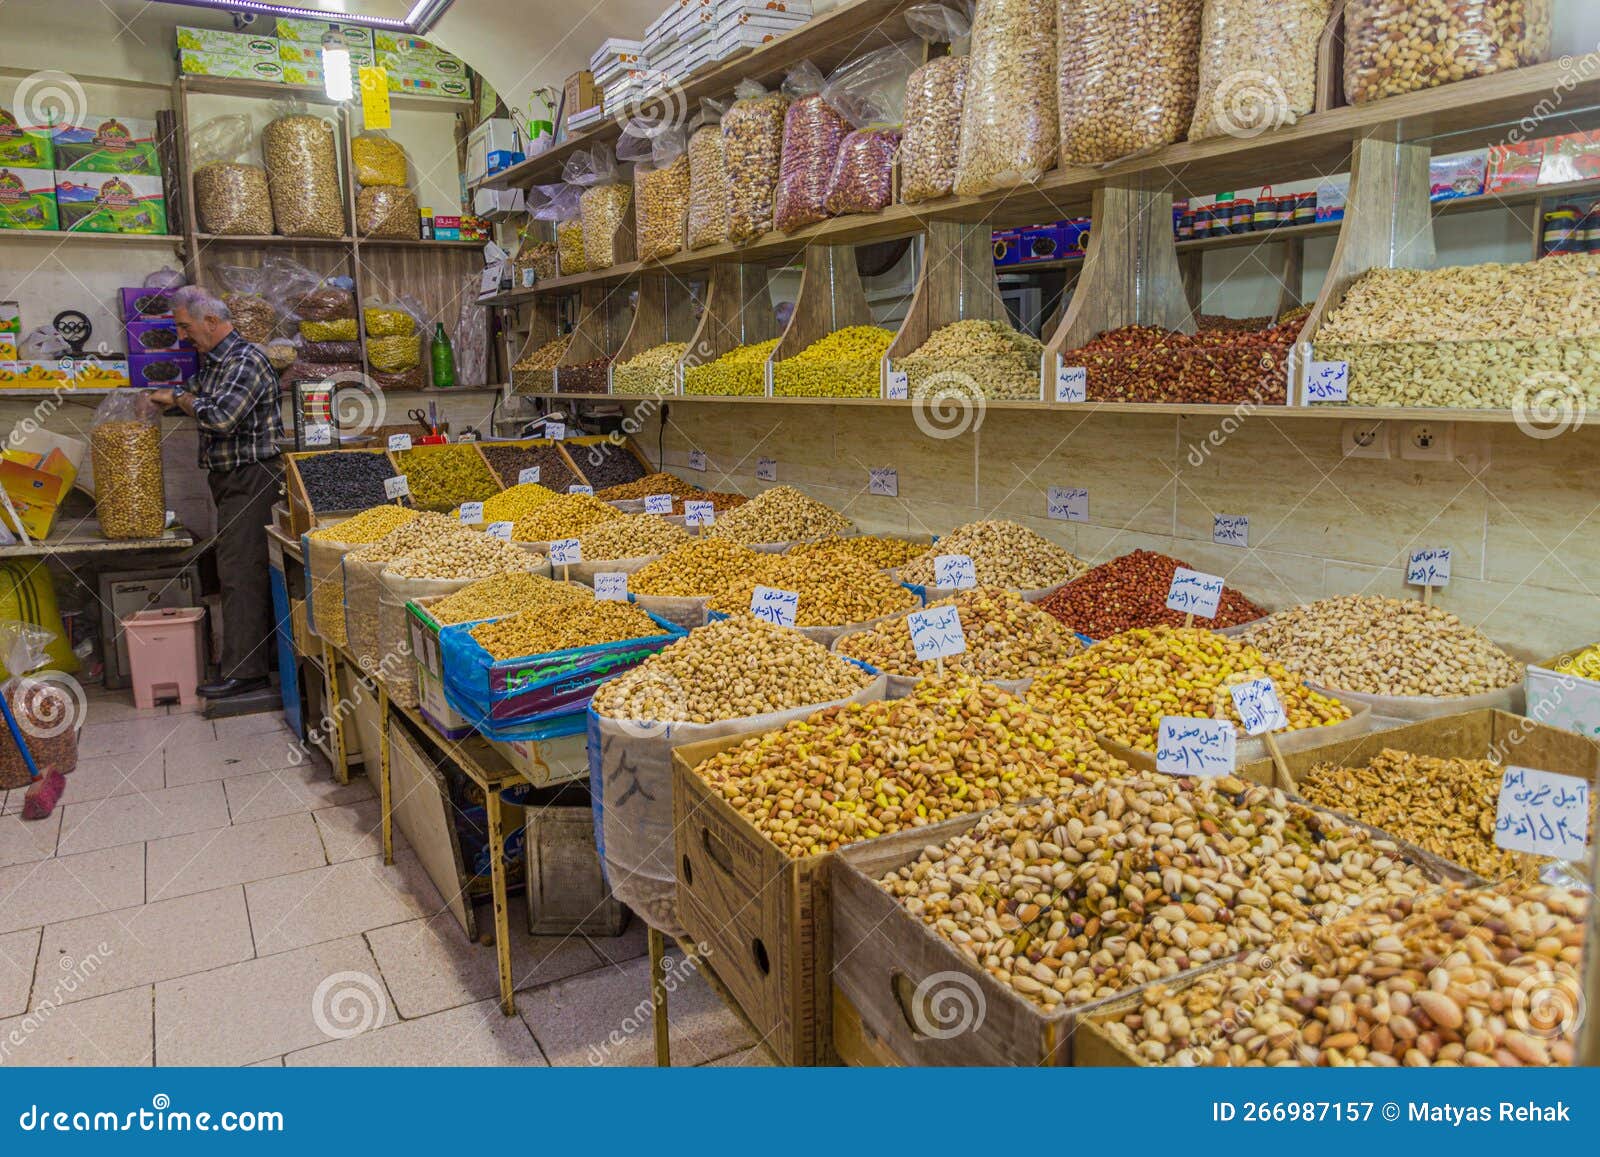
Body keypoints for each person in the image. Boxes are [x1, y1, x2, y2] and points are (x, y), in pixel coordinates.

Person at [148, 286, 283, 700]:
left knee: (239, 572)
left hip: (252, 478)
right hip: (229, 479)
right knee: (241, 568)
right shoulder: (214, 364)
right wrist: (162, 400)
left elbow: (220, 417)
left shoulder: (246, 360)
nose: (183, 336)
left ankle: (246, 673)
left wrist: (179, 398)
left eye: (186, 327)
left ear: (210, 320)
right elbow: (193, 398)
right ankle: (260, 661)